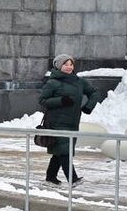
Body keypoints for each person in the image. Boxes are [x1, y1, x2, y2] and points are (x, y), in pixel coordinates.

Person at [39, 54, 102, 186]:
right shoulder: (53, 83)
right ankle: (73, 179)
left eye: (71, 64)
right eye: (65, 64)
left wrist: (88, 107)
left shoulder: (78, 81)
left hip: (73, 122)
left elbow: (94, 92)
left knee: (60, 151)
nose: (69, 67)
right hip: (56, 122)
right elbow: (42, 101)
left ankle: (50, 178)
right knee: (64, 151)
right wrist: (61, 100)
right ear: (58, 66)